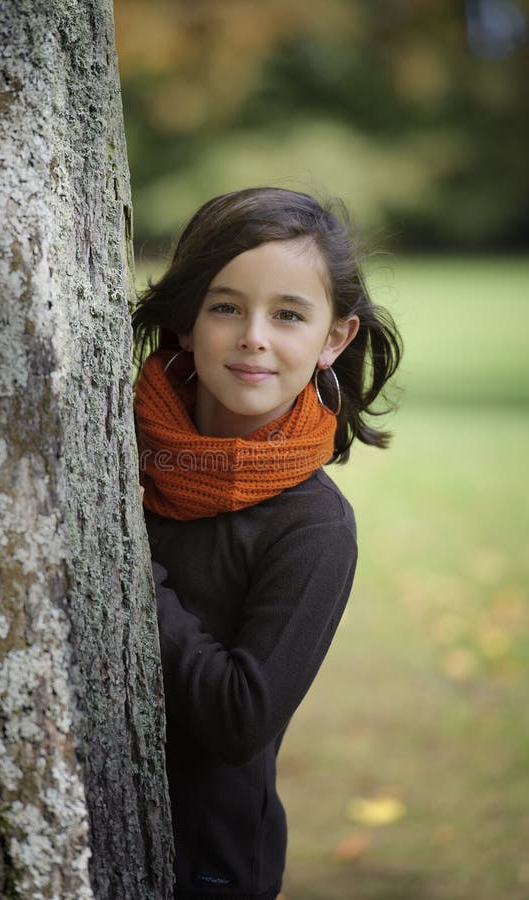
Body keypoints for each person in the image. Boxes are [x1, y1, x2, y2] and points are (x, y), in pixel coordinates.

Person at [132, 187, 402, 900]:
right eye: (226, 307)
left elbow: (241, 716)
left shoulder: (311, 526)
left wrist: (132, 568)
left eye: (288, 315)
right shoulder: (118, 454)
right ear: (187, 323)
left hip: (204, 864)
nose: (254, 335)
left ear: (332, 340)